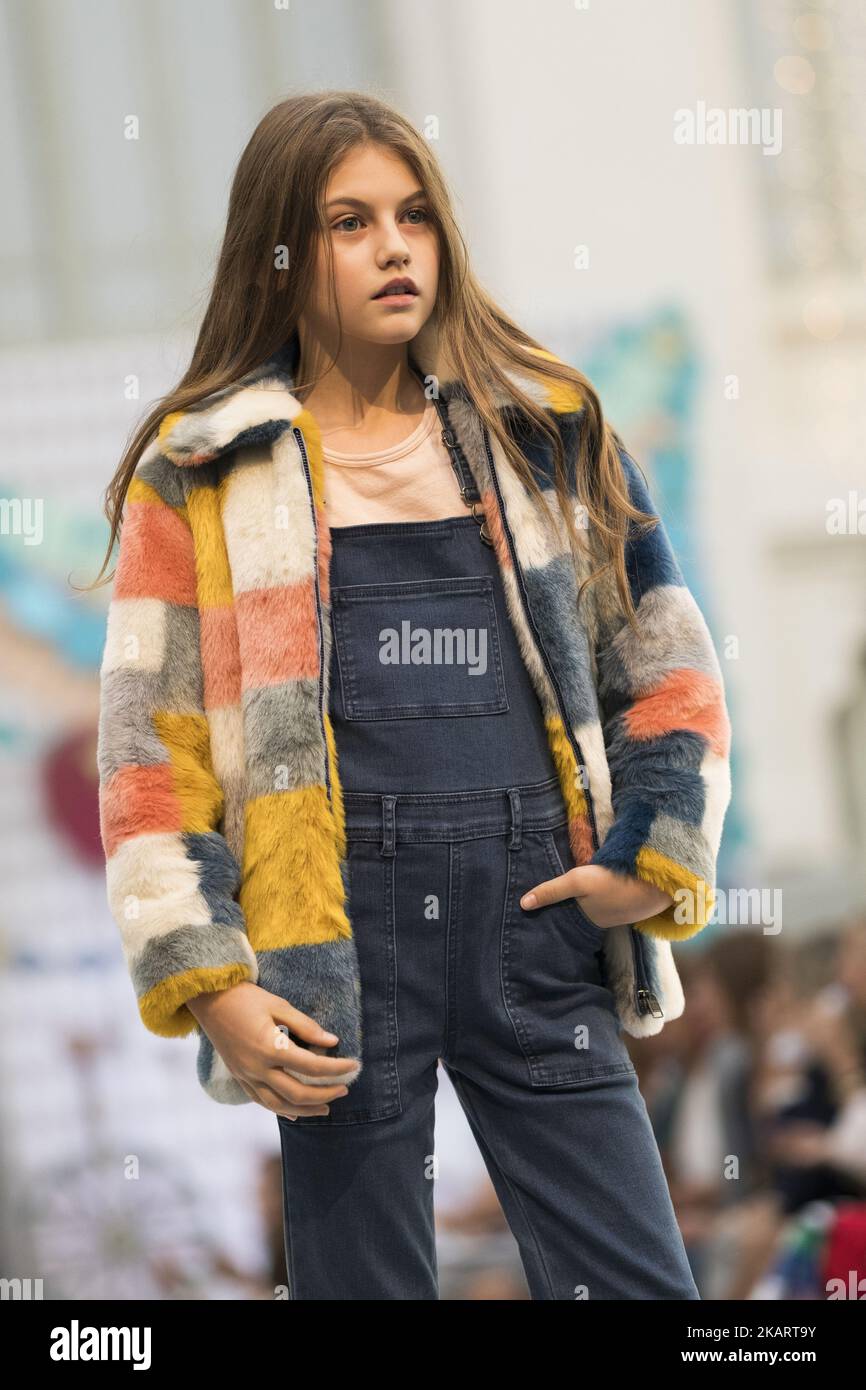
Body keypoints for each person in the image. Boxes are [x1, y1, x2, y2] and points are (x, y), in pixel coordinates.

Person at [92, 91, 733, 1299]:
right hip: (333, 949)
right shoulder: (202, 471)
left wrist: (651, 852)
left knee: (644, 1287)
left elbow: (664, 663)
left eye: (414, 216)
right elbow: (146, 755)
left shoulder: (544, 430)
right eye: (348, 222)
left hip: (542, 927)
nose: (395, 247)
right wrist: (209, 981)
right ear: (277, 253)